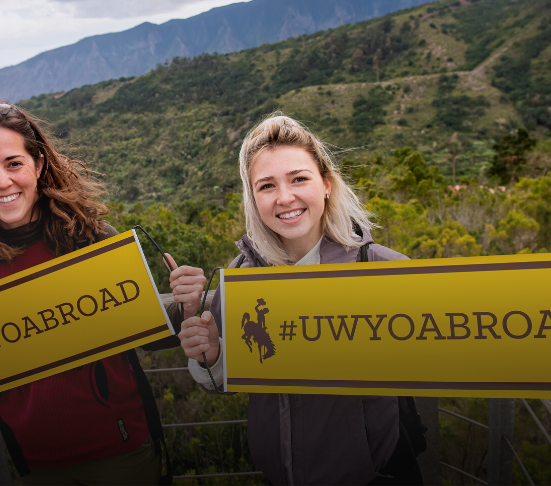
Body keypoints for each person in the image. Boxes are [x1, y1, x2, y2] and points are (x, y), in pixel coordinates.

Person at [0, 102, 206, 485]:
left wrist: (187, 306)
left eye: (13, 163)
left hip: (119, 449)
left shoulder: (88, 239)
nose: (2, 181)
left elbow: (146, 334)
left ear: (38, 164)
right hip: (36, 462)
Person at [177, 114, 423, 485]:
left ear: (326, 184)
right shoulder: (241, 277)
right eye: (267, 186)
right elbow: (228, 378)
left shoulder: (383, 270)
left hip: (375, 474)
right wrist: (211, 355)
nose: (285, 197)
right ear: (253, 199)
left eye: (299, 179)